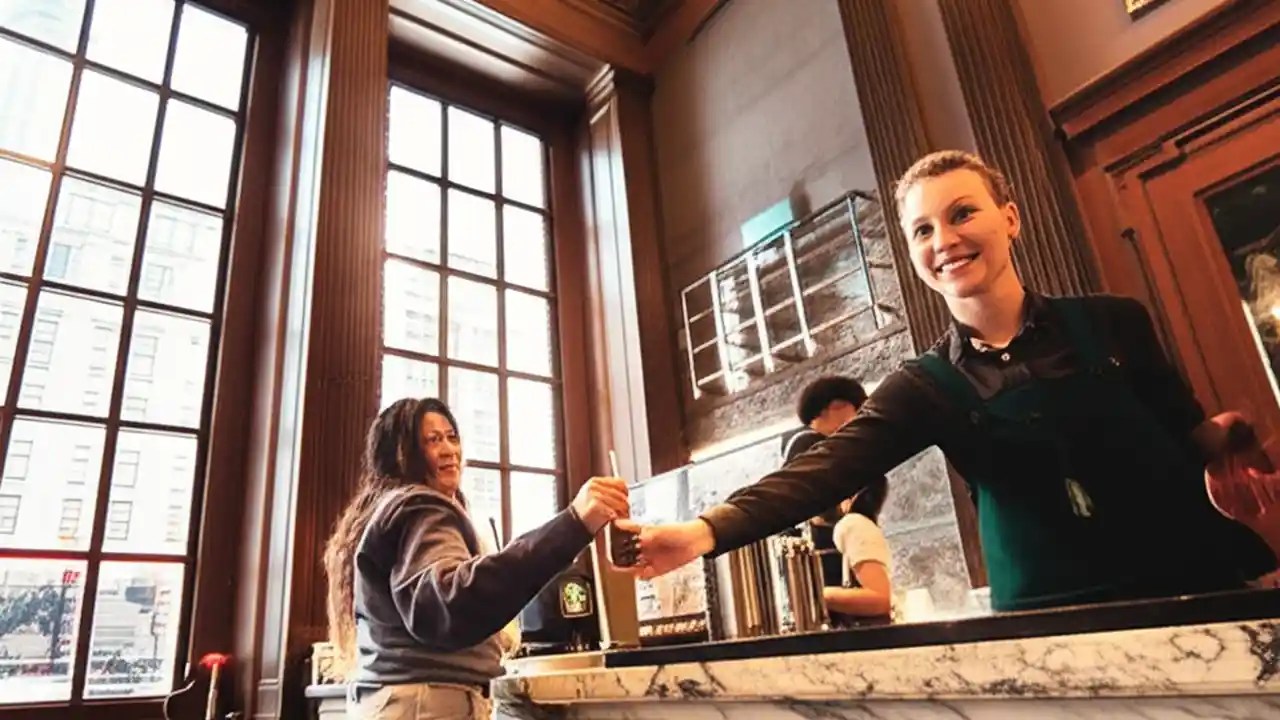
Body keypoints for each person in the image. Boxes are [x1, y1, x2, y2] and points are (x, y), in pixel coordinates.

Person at [626, 150, 1280, 614]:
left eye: (963, 214)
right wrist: (699, 533)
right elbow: (824, 469)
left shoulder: (1115, 322)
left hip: (1199, 595)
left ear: (1010, 219)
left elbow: (1183, 432)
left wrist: (1223, 442)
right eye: (923, 229)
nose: (945, 238)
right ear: (913, 256)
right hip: (1051, 624)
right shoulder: (926, 385)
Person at [323, 398, 628, 719]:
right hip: (424, 705)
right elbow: (450, 602)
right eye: (431, 440)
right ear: (401, 454)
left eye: (451, 437)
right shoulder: (420, 506)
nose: (448, 450)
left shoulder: (395, 510)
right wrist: (574, 523)